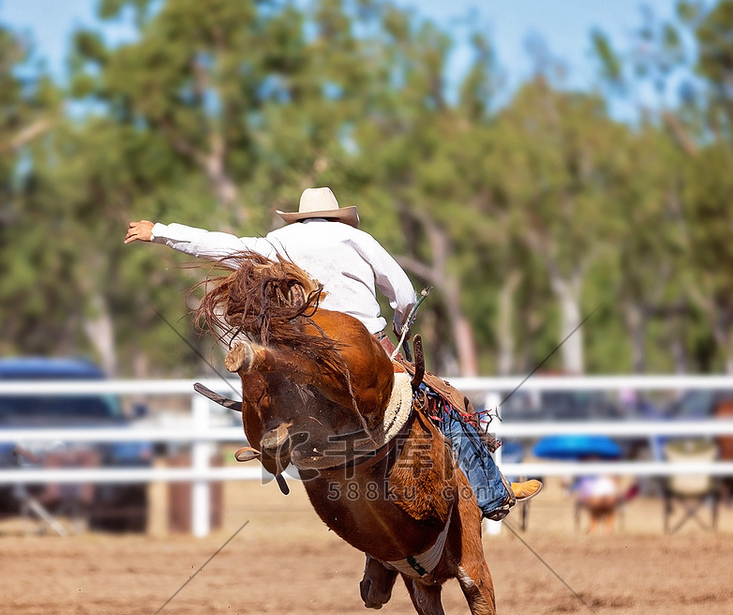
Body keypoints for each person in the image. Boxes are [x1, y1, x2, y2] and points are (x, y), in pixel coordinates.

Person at [125, 186, 541, 519]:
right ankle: (493, 493)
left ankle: (274, 435)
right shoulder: (356, 238)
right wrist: (400, 325)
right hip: (368, 341)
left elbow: (219, 245)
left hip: (297, 347)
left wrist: (158, 230)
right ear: (338, 214)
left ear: (301, 217)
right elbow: (404, 292)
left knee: (270, 382)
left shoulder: (276, 241)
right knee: (443, 402)